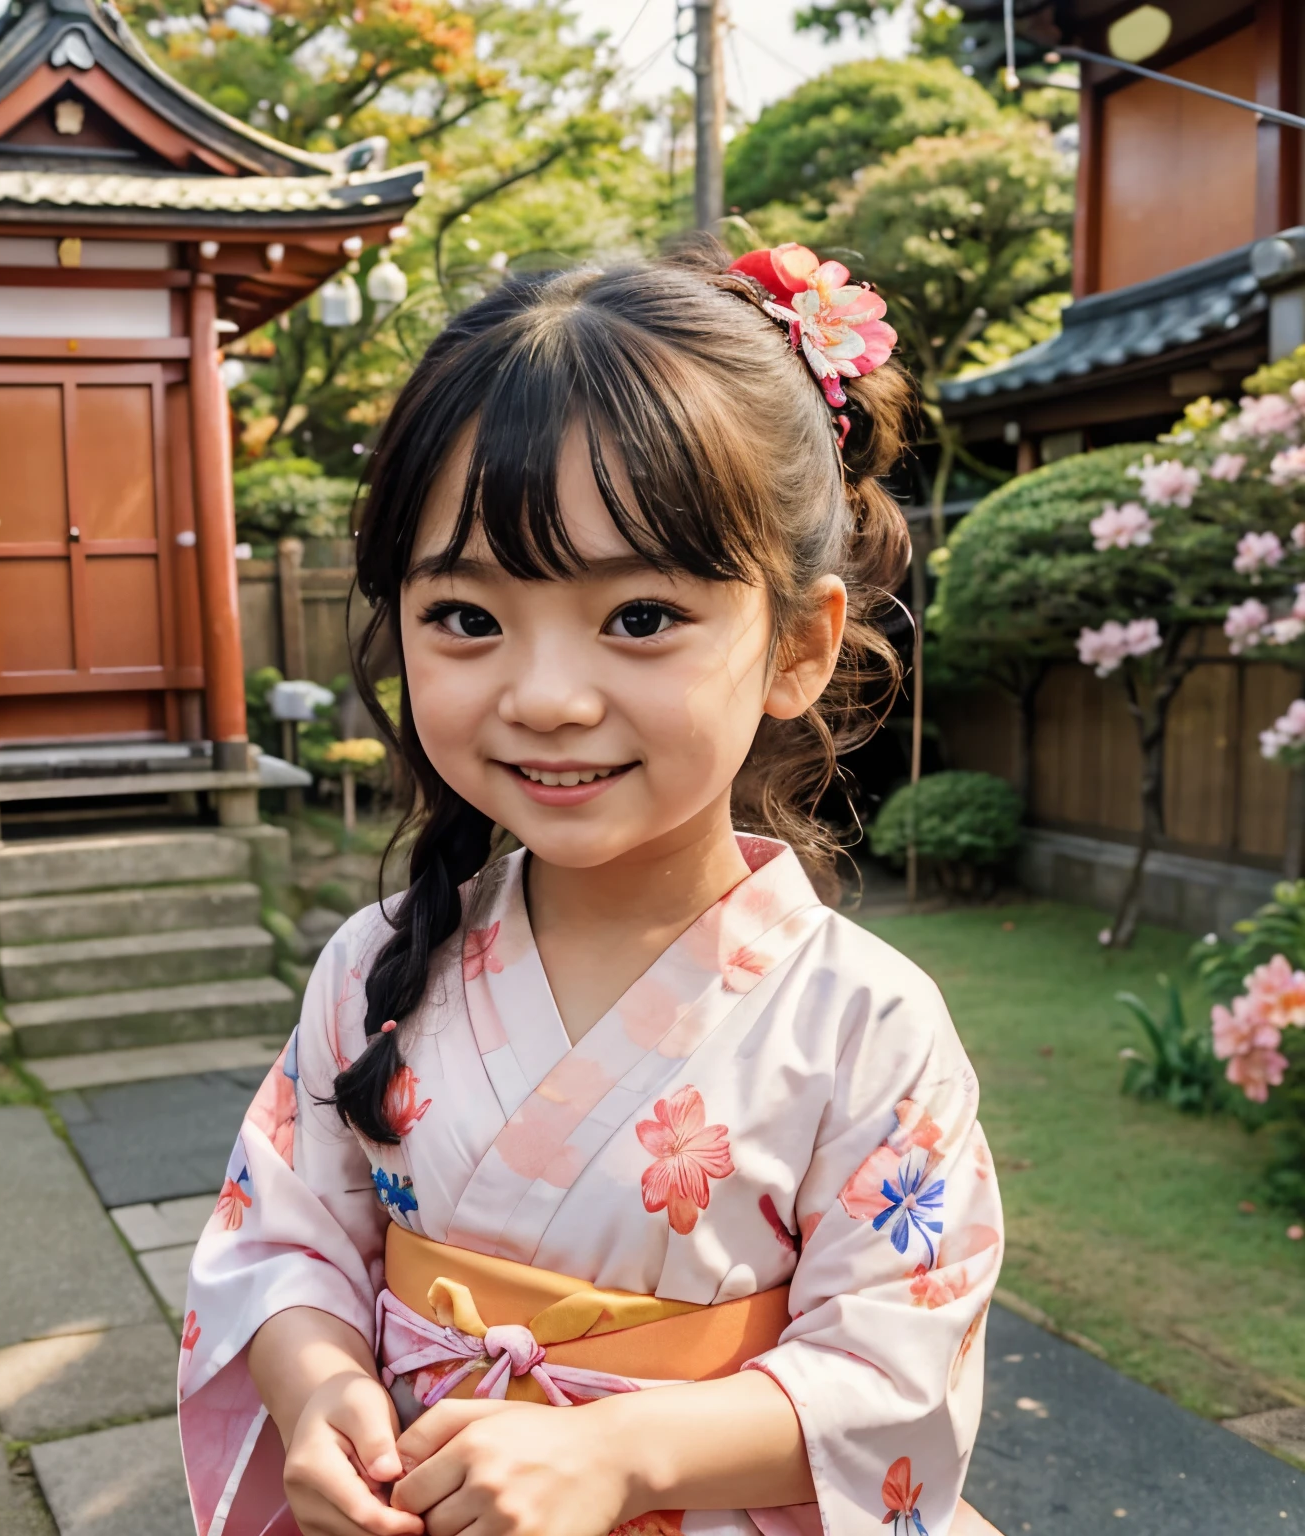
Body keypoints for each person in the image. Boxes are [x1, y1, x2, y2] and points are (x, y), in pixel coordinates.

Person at [178, 238, 1005, 1536]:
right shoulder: (374, 966)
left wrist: (626, 1456)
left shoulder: (864, 1025)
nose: (549, 697)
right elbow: (285, 1238)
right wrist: (320, 1384)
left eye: (640, 617)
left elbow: (898, 1364)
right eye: (468, 616)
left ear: (799, 645)